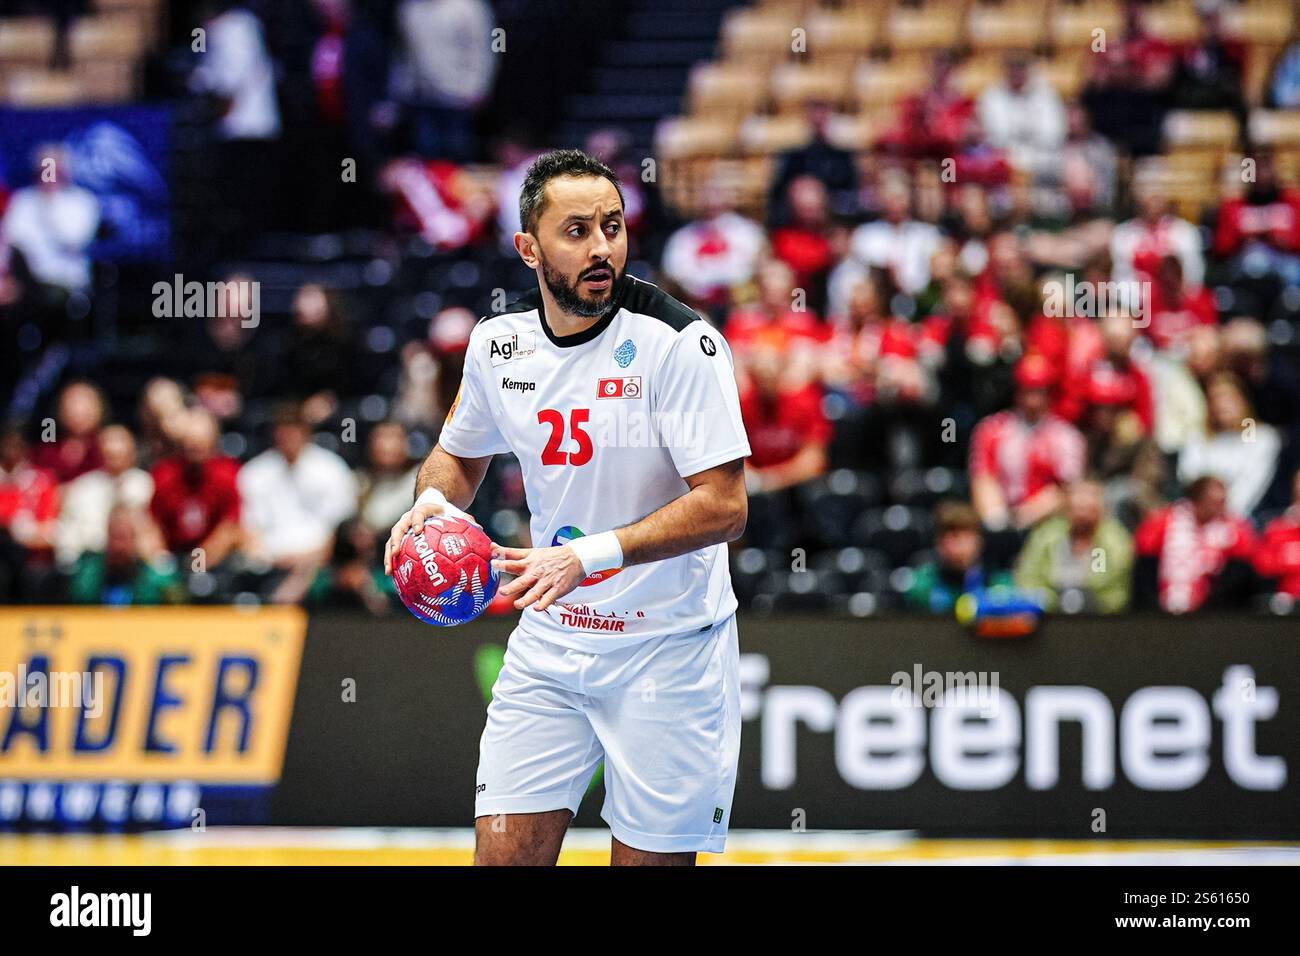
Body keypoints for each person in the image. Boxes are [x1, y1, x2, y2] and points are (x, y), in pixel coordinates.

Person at [383, 149, 750, 866]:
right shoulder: (499, 346)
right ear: (529, 249)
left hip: (668, 649)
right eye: (576, 231)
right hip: (551, 643)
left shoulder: (681, 343)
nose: (601, 248)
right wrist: (431, 501)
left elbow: (726, 506)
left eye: (612, 227)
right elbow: (458, 456)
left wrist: (589, 555)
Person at [239, 404, 358, 604]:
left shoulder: (332, 469)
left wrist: (306, 563)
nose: (288, 438)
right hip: (267, 563)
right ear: (275, 434)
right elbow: (249, 532)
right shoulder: (255, 472)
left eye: (294, 432)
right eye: (283, 432)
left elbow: (339, 532)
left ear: (307, 433)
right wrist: (266, 559)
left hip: (319, 562)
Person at [969, 354, 1086, 532]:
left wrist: (1028, 515)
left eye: (1039, 392)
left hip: (1049, 523)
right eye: (1027, 391)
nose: (1032, 400)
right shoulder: (991, 430)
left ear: (1050, 394)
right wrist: (996, 520)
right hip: (1001, 520)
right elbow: (983, 480)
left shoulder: (1067, 436)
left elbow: (1066, 489)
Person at [1134, 475, 1258, 613]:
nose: (1219, 509)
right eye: (1214, 503)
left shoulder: (1233, 528)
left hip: (1212, 609)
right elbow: (1145, 556)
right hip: (1163, 603)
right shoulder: (1165, 521)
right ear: (1197, 501)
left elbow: (1246, 559)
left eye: (1222, 503)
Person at [1014, 479, 1134, 613]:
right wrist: (1051, 600)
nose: (1082, 516)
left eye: (1089, 510)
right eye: (1077, 509)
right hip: (1051, 613)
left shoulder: (1107, 541)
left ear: (1100, 511)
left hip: (1100, 616)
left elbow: (1105, 583)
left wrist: (1086, 600)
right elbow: (1029, 577)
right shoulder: (1049, 536)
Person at [1178, 372, 1281, 519]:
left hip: (1241, 517)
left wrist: (1224, 517)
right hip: (1197, 514)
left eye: (1228, 398)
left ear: (1243, 400)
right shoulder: (1199, 435)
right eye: (1215, 399)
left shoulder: (1259, 435)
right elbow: (1189, 475)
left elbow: (1250, 485)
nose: (1221, 405)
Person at [55, 424, 157, 566]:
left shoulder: (145, 484)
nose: (114, 456)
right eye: (109, 453)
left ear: (132, 452)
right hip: (89, 560)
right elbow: (68, 530)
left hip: (135, 561)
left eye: (119, 453)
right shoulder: (82, 487)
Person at [907, 500, 1012, 614]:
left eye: (957, 537)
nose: (949, 545)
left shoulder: (998, 583)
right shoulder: (925, 583)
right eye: (943, 537)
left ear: (977, 540)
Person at [67, 506, 184, 606]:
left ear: (134, 539)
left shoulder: (150, 576)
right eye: (114, 537)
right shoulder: (90, 573)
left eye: (123, 537)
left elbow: (173, 594)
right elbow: (79, 597)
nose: (118, 546)